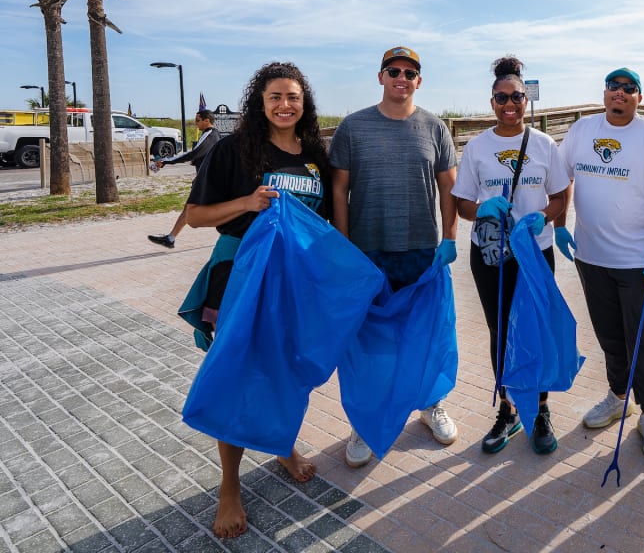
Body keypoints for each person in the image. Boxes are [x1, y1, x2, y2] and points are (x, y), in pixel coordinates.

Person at [182, 62, 330, 538]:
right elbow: (196, 215)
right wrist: (247, 203)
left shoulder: (314, 155)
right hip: (242, 280)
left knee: (287, 368)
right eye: (275, 97)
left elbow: (323, 222)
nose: (285, 105)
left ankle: (282, 444)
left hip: (292, 283)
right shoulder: (234, 151)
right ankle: (229, 486)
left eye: (293, 97)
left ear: (304, 104)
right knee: (237, 376)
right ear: (259, 102)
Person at [328, 45, 460, 467]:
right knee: (369, 344)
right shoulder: (353, 127)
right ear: (381, 76)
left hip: (421, 251)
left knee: (426, 335)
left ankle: (430, 405)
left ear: (418, 81)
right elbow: (338, 190)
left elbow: (448, 189)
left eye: (410, 72)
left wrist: (449, 239)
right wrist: (346, 248)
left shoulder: (434, 127)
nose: (401, 78)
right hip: (368, 252)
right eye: (394, 70)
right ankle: (365, 423)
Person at [558, 67, 644, 463]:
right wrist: (559, 223)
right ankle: (619, 397)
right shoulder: (582, 130)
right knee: (609, 335)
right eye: (613, 87)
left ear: (639, 97)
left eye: (628, 89)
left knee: (642, 340)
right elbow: (560, 177)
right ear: (604, 94)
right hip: (591, 257)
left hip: (639, 261)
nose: (620, 93)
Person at [451, 56, 571, 455]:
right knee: (501, 332)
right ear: (491, 101)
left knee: (535, 330)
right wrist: (480, 210)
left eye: (517, 96)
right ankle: (507, 410)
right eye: (501, 97)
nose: (509, 103)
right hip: (492, 257)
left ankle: (539, 411)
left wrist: (548, 217)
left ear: (525, 99)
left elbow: (559, 194)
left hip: (535, 252)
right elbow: (463, 202)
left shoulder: (543, 144)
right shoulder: (478, 147)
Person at [149, 109, 220, 249]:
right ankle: (171, 238)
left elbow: (192, 154)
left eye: (198, 120)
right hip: (206, 180)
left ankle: (171, 238)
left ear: (207, 121)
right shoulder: (212, 135)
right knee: (190, 208)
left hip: (207, 181)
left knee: (193, 209)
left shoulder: (209, 134)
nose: (195, 123)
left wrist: (166, 161)